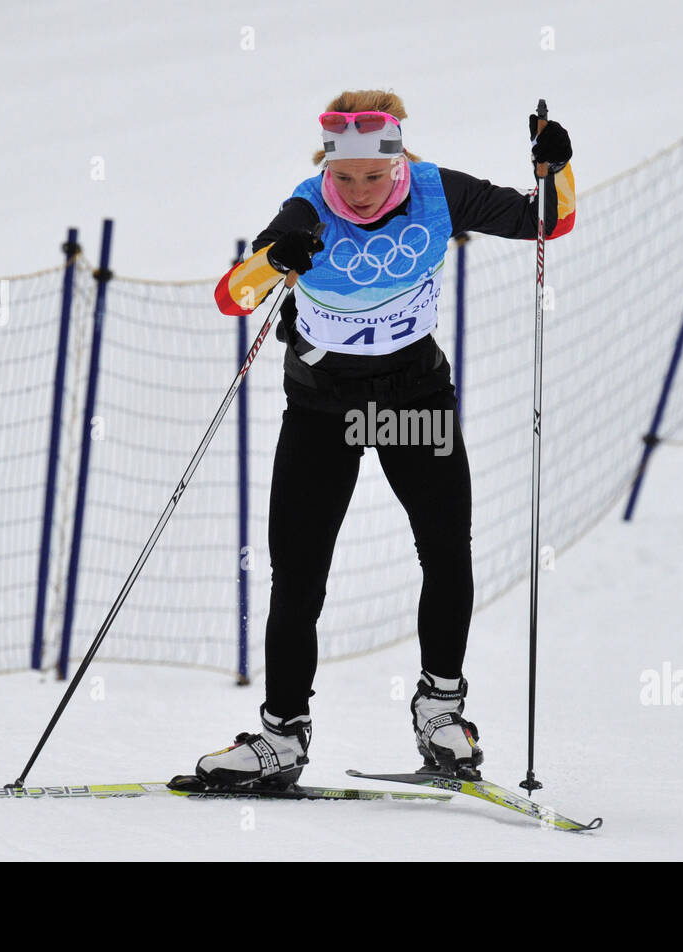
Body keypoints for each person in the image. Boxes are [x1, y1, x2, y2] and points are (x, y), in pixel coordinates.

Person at [195, 89, 575, 788]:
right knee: (299, 576)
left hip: (413, 401)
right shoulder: (308, 205)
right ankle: (282, 737)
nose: (360, 192)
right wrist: (275, 258)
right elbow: (233, 297)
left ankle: (440, 711)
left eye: (374, 176)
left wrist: (556, 168)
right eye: (346, 177)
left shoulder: (437, 193)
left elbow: (546, 223)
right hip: (323, 411)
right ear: (327, 168)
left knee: (445, 549)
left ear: (397, 161)